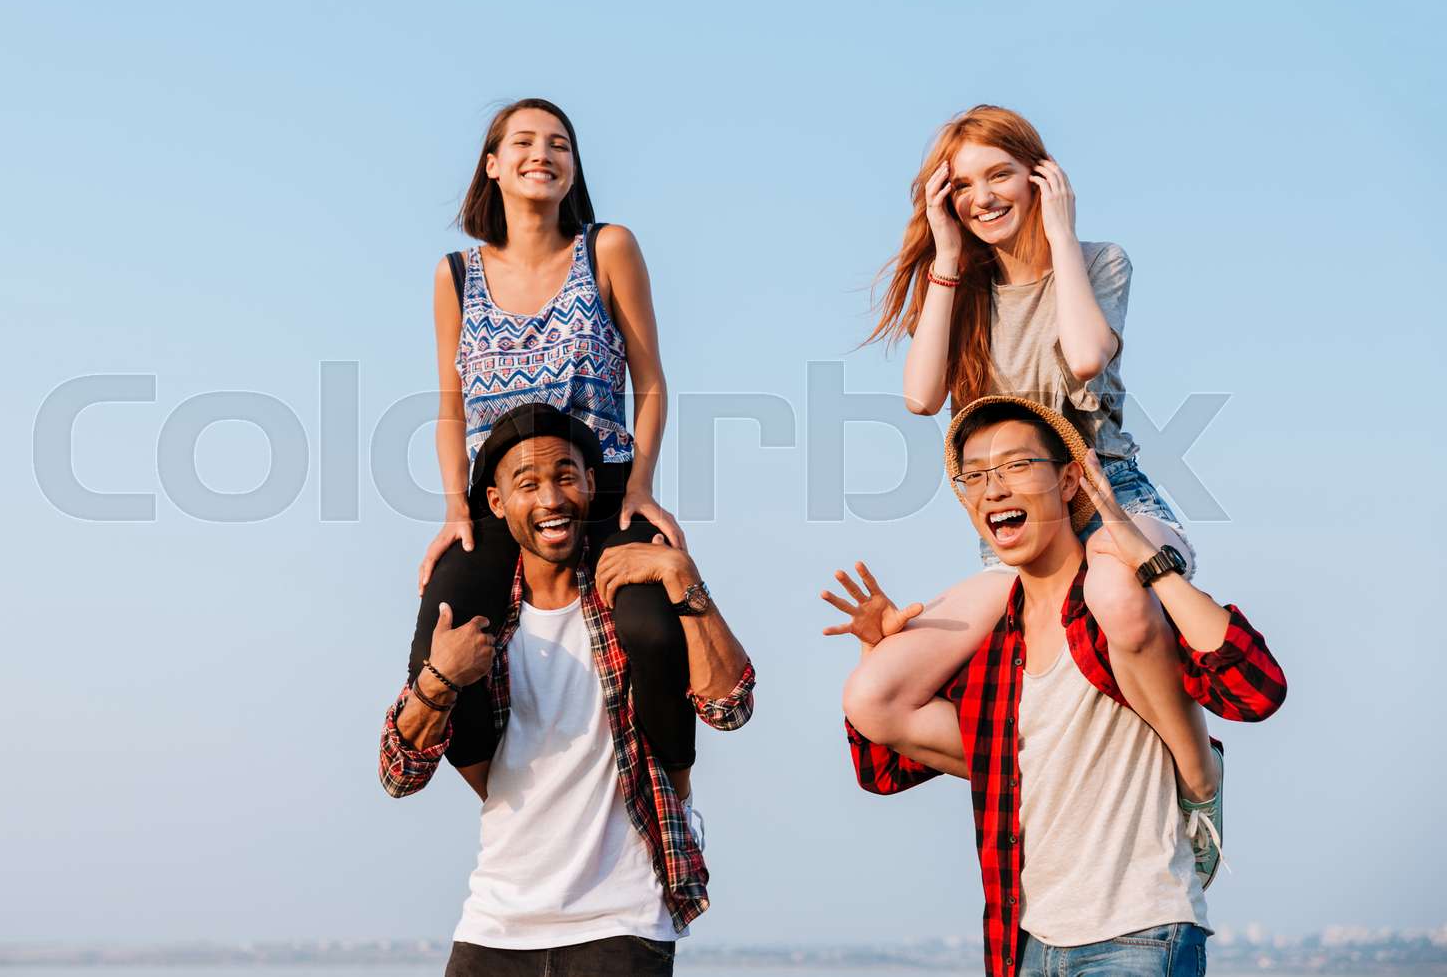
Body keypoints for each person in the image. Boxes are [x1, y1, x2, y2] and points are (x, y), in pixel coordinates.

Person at [846, 104, 1221, 850]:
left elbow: (1085, 357)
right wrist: (947, 257)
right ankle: (1052, 775)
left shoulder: (1098, 260)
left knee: (1114, 587)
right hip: (1017, 539)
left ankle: (1197, 778)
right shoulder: (959, 292)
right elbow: (921, 398)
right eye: (960, 186)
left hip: (1112, 505)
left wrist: (1060, 236)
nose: (981, 197)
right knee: (874, 697)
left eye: (998, 175)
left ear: (1037, 177)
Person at [824, 397, 1286, 977]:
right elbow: (881, 766)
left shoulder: (1117, 608)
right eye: (976, 476)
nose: (994, 488)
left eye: (1017, 466)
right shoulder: (993, 650)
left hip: (1138, 935)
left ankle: (1202, 780)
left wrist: (1149, 561)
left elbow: (1255, 690)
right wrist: (880, 648)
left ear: (1069, 480)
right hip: (1027, 945)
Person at [382, 404, 756, 976]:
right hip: (494, 927)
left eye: (564, 476)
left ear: (589, 484)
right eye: (527, 484)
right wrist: (441, 679)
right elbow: (397, 775)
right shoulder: (480, 622)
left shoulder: (630, 603)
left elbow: (730, 708)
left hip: (620, 926)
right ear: (497, 503)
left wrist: (684, 577)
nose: (551, 499)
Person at [410, 98, 697, 800]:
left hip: (599, 491)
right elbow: (450, 404)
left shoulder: (609, 248)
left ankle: (677, 802)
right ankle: (509, 807)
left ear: (573, 167)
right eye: (526, 143)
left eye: (560, 144)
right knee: (439, 648)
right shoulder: (456, 274)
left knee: (653, 632)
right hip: (502, 501)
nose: (544, 154)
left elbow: (652, 381)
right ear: (493, 166)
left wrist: (640, 489)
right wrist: (455, 510)